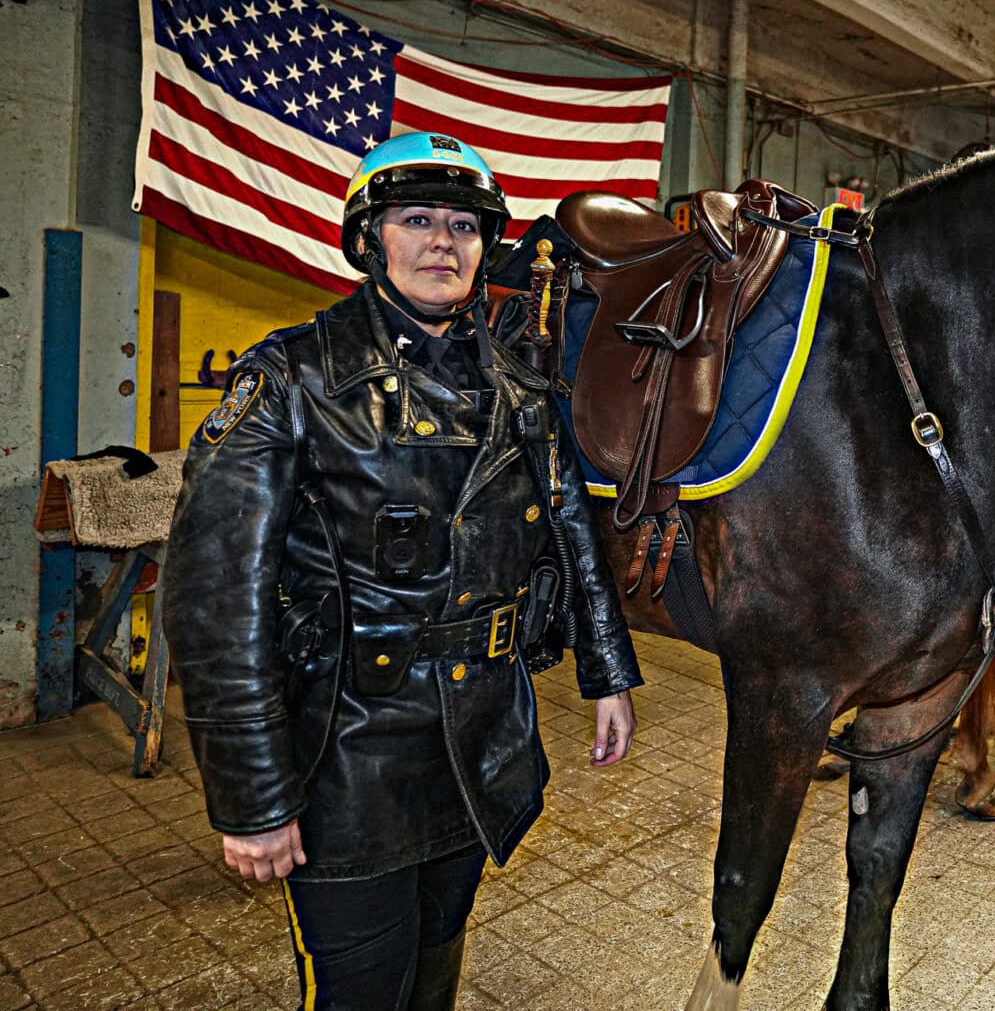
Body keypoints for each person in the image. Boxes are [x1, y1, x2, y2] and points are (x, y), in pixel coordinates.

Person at [164, 132, 643, 1010]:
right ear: (368, 238)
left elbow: (572, 531)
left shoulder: (518, 387)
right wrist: (252, 796)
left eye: (464, 224)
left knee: (434, 969)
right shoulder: (294, 378)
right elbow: (212, 600)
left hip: (479, 745)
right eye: (416, 219)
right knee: (362, 990)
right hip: (344, 754)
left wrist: (606, 672)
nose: (443, 242)